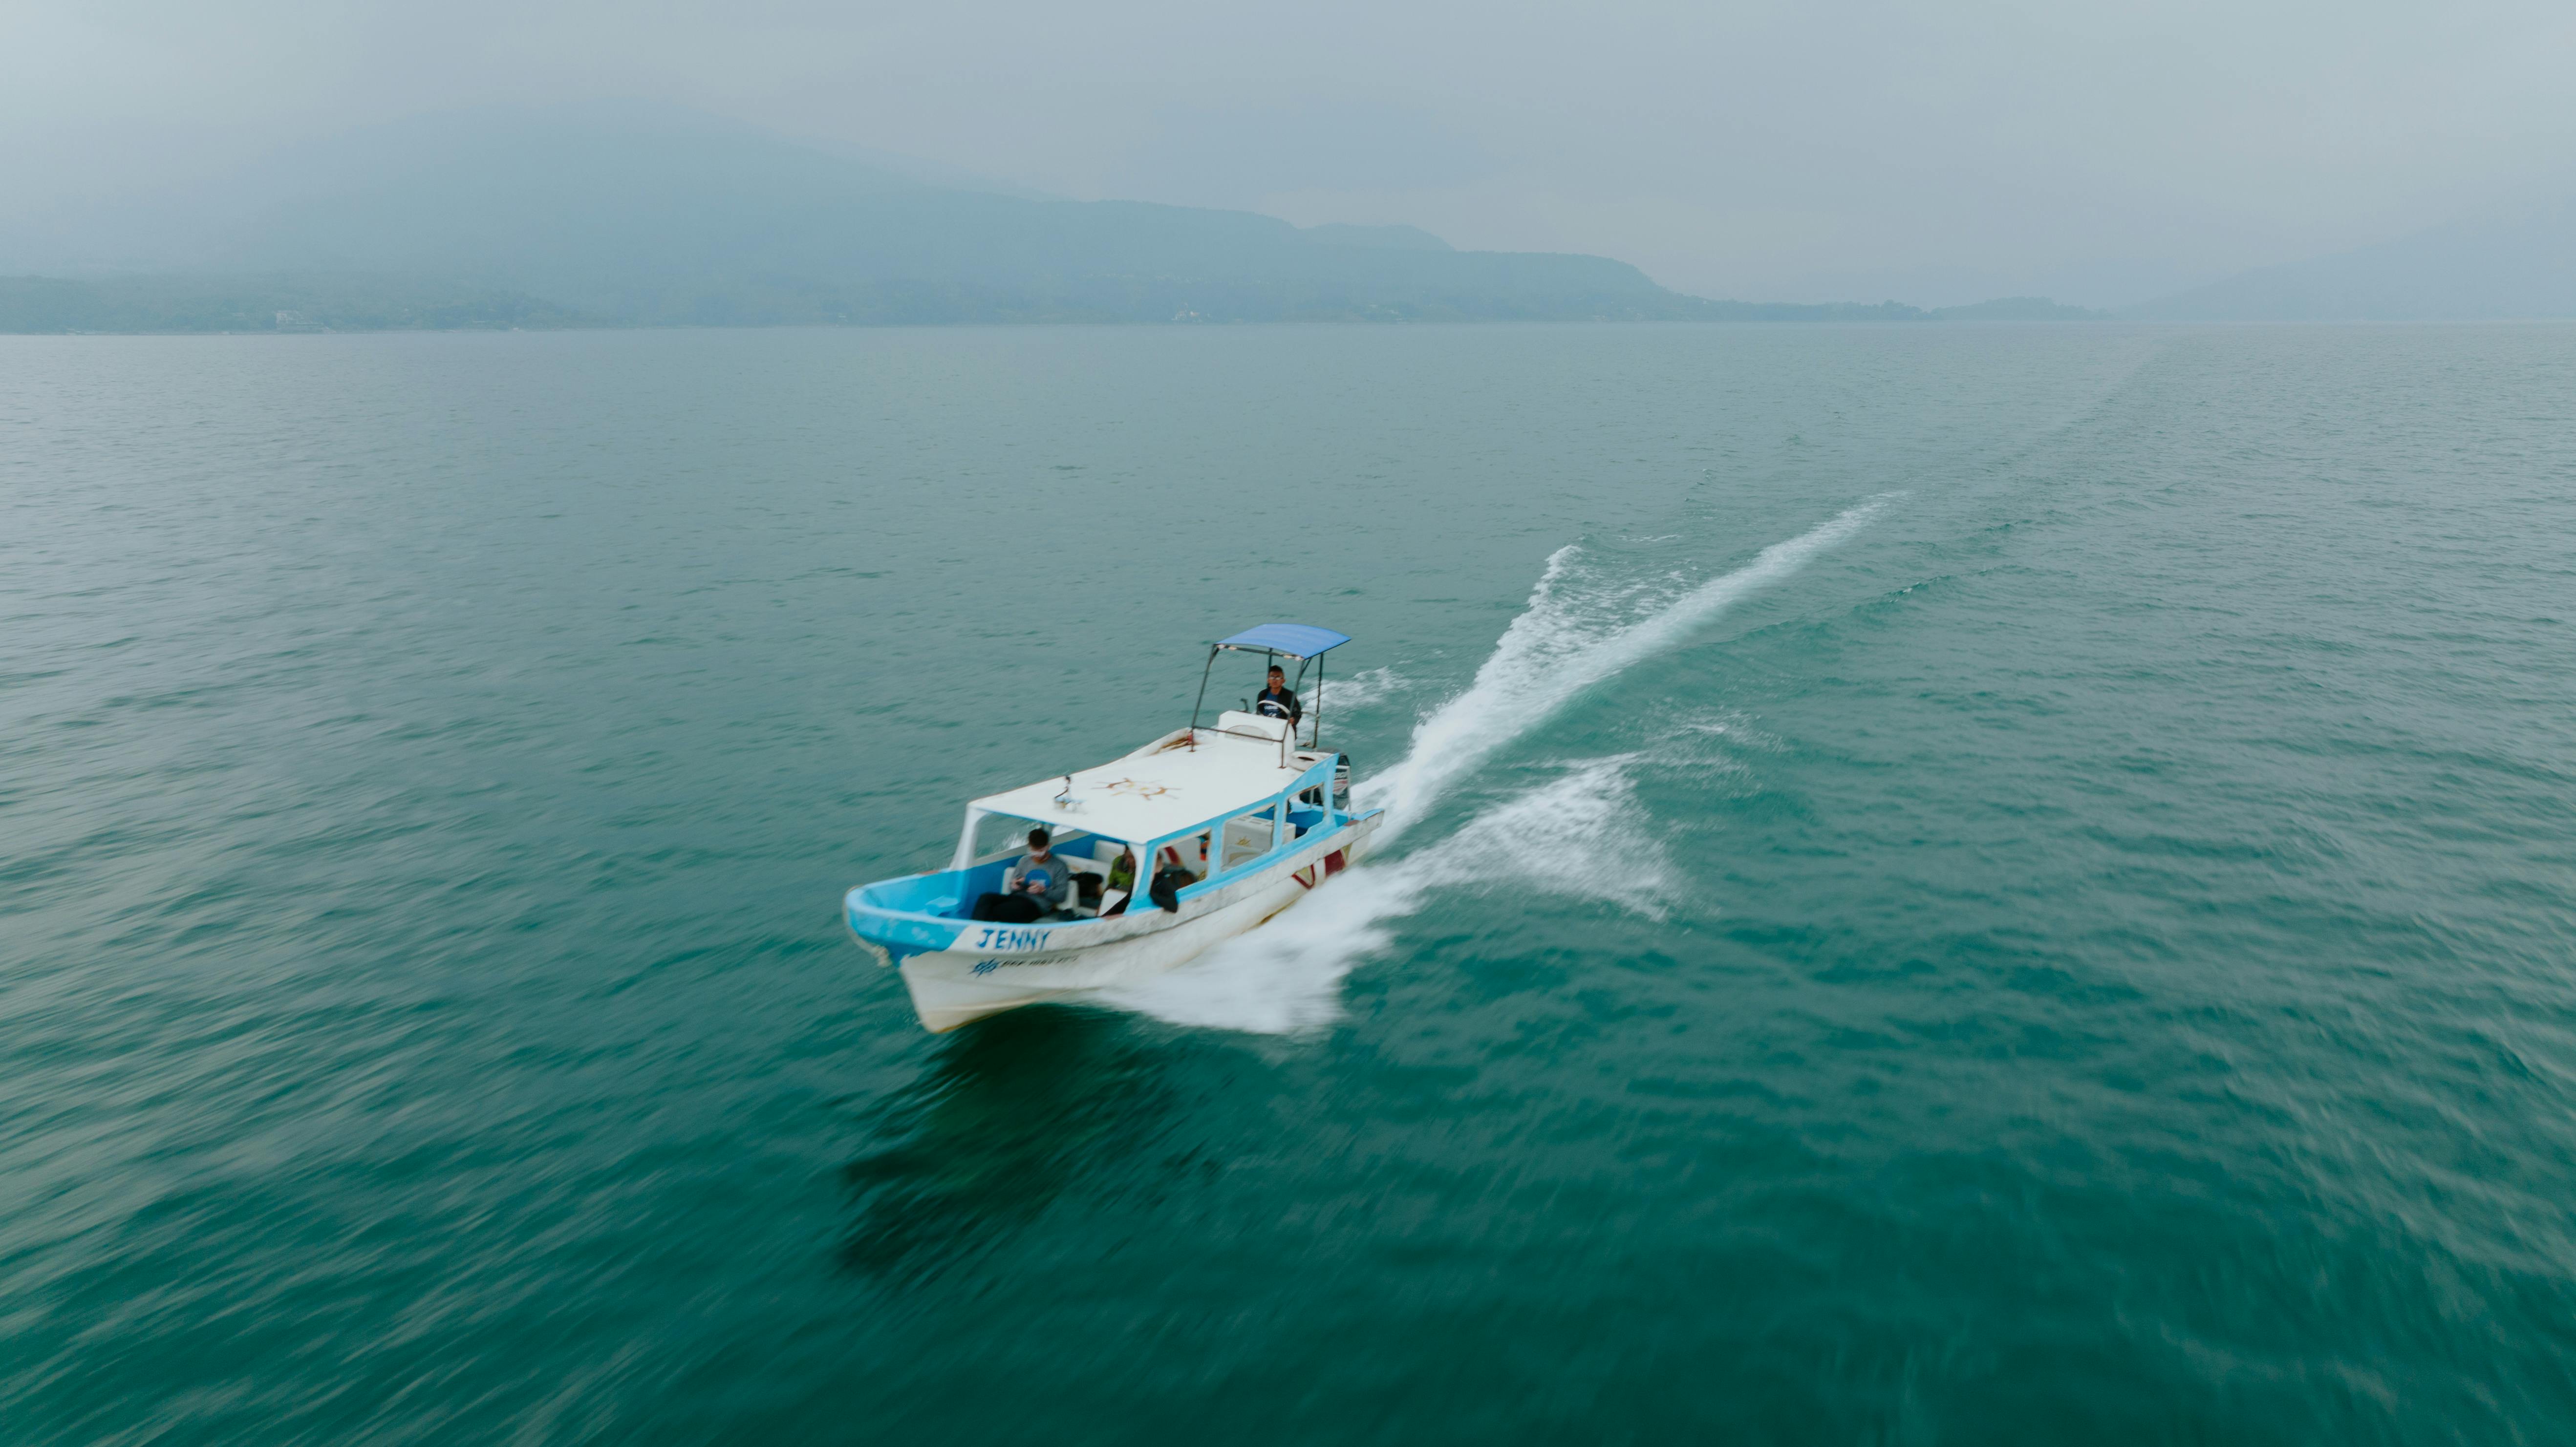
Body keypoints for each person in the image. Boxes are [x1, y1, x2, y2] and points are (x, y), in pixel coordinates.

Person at [1003, 828, 1075, 915]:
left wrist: (1043, 890)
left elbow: (1061, 897)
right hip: (1017, 898)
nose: (1037, 855)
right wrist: (1014, 886)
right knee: (986, 899)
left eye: (1040, 851)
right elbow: (1012, 888)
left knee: (1002, 911)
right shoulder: (1024, 861)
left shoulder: (1060, 866)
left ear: (1048, 847)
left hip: (1037, 905)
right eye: (1034, 851)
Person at [1254, 664, 1302, 728]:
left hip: (1284, 729)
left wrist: (1294, 720)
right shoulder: (1262, 694)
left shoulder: (1290, 695)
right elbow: (1259, 711)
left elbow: (1298, 714)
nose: (1275, 680)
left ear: (1283, 681)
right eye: (1272, 677)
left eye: (1278, 677)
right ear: (1268, 680)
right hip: (1265, 726)